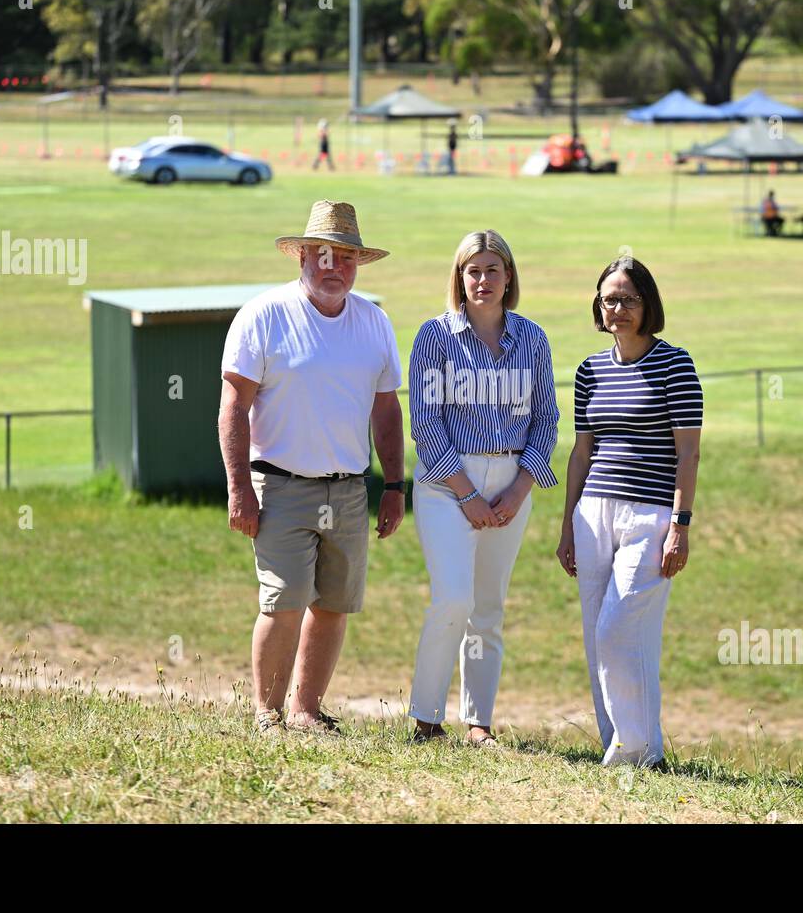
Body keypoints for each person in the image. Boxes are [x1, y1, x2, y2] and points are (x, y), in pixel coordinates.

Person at [219, 199, 405, 735]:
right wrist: (239, 488)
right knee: (283, 601)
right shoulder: (264, 315)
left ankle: (306, 709)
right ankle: (266, 712)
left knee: (333, 604)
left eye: (344, 257)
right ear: (301, 256)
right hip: (279, 485)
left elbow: (386, 408)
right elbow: (233, 405)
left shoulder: (373, 322)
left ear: (356, 264)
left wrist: (393, 486)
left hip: (348, 490)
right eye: (321, 254)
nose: (332, 266)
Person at [407, 230, 559, 747]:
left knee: (489, 608)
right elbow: (425, 425)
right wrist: (468, 495)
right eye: (473, 270)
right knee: (453, 598)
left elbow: (547, 420)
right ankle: (426, 717)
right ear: (459, 277)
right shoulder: (435, 336)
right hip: (447, 485)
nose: (483, 280)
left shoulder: (533, 339)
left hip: (512, 483)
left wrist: (520, 488)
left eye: (493, 269)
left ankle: (479, 724)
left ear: (509, 276)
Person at [556, 256, 703, 767]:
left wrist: (680, 527)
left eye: (627, 299)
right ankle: (631, 746)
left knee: (617, 631)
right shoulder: (589, 370)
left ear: (648, 304)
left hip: (650, 515)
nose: (616, 308)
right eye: (608, 299)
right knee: (598, 635)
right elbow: (582, 453)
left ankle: (634, 748)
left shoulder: (675, 364)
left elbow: (688, 453)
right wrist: (566, 526)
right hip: (592, 513)